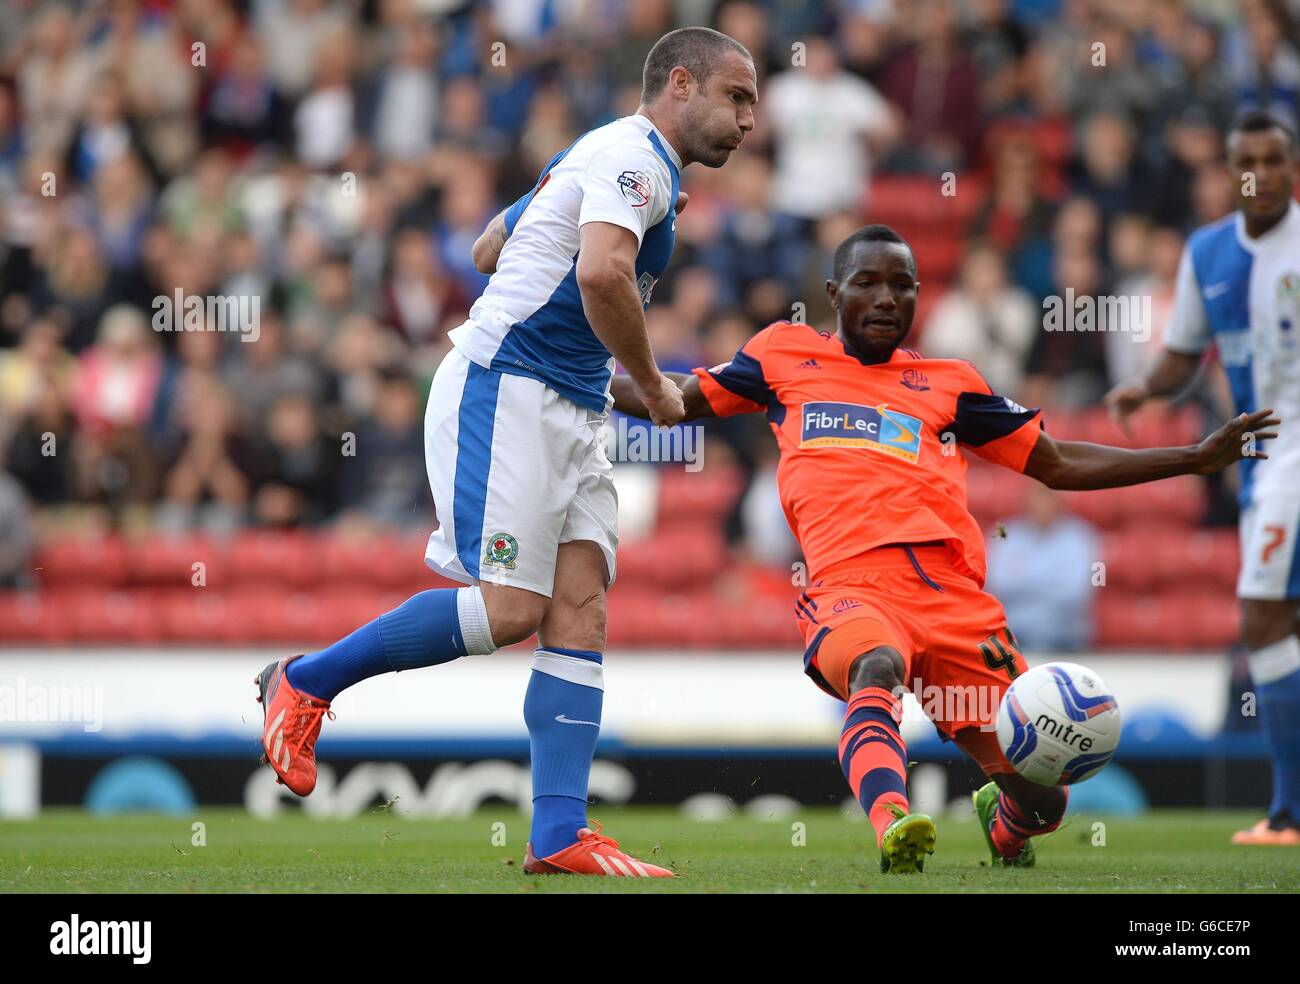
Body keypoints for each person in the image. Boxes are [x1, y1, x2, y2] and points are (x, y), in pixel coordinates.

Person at [613, 225, 1276, 873]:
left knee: (1043, 792)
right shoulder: (781, 356)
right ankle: (894, 821)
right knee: (875, 669)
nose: (885, 298)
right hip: (855, 586)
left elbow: (1058, 462)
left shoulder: (950, 382)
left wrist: (1192, 458)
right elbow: (671, 401)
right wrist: (569, 378)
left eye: (903, 285)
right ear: (832, 290)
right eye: (867, 282)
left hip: (954, 599)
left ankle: (1007, 821)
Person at [254, 27, 757, 878]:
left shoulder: (595, 158)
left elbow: (492, 245)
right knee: (511, 609)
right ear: (681, 83)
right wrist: (656, 384)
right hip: (508, 386)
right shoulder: (634, 162)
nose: (749, 120)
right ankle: (305, 681)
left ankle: (558, 832)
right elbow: (600, 275)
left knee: (581, 604)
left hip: (567, 400)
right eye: (737, 97)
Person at [1107, 109, 1300, 846]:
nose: (1260, 174)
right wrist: (1144, 389)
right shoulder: (1208, 252)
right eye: (1245, 161)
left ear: (1291, 168)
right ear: (1229, 172)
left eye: (1274, 159)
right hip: (1260, 466)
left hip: (1295, 460)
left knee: (1261, 617)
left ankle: (1288, 814)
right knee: (1280, 623)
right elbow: (1186, 352)